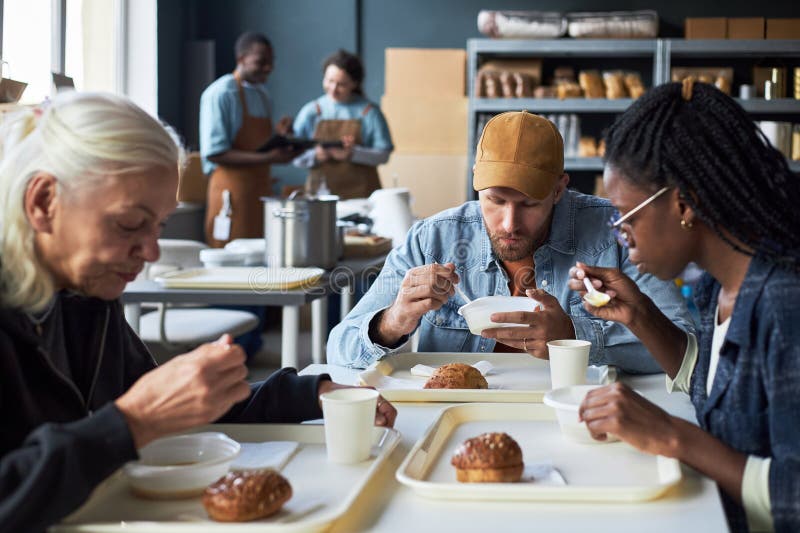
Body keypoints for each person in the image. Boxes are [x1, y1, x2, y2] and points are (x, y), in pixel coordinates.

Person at [0, 91, 396, 533]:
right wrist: (130, 423)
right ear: (42, 202)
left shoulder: (85, 297)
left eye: (159, 226)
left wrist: (310, 392)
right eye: (130, 223)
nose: (149, 251)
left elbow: (178, 412)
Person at [569, 80, 800, 532]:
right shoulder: (722, 283)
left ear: (684, 202)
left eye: (624, 215)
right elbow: (718, 395)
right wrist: (638, 314)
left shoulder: (783, 303)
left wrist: (673, 436)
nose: (621, 233)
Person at [327, 110, 693, 371]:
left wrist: (573, 336)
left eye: (528, 204)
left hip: (574, 416)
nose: (509, 223)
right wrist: (392, 321)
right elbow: (339, 351)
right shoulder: (432, 239)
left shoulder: (613, 231)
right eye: (495, 201)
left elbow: (685, 345)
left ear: (559, 189)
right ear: (475, 181)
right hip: (459, 418)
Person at [200, 31, 301, 248]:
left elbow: (258, 147)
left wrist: (281, 138)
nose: (268, 68)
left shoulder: (263, 95)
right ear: (241, 59)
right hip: (232, 196)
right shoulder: (220, 93)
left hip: (261, 194)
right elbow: (215, 153)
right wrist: (268, 158)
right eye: (261, 61)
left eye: (271, 62)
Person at [292, 49, 393, 199]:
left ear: (354, 83)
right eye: (329, 81)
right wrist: (315, 156)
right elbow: (294, 155)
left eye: (341, 84)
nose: (333, 89)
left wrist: (353, 154)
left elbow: (383, 155)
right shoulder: (312, 111)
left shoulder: (369, 112)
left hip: (362, 197)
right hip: (320, 198)